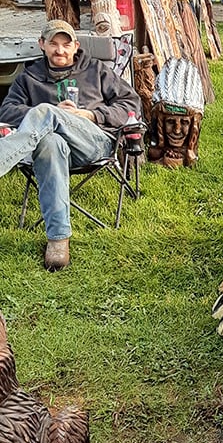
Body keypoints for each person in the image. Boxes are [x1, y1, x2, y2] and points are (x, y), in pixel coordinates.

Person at [0, 19, 142, 271]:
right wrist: (52, 112)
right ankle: (58, 239)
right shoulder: (29, 77)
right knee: (50, 141)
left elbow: (130, 104)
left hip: (93, 142)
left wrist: (92, 115)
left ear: (76, 46)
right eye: (53, 44)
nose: (60, 50)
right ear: (41, 45)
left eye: (66, 45)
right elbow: (8, 110)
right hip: (49, 149)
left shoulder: (96, 70)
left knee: (46, 114)